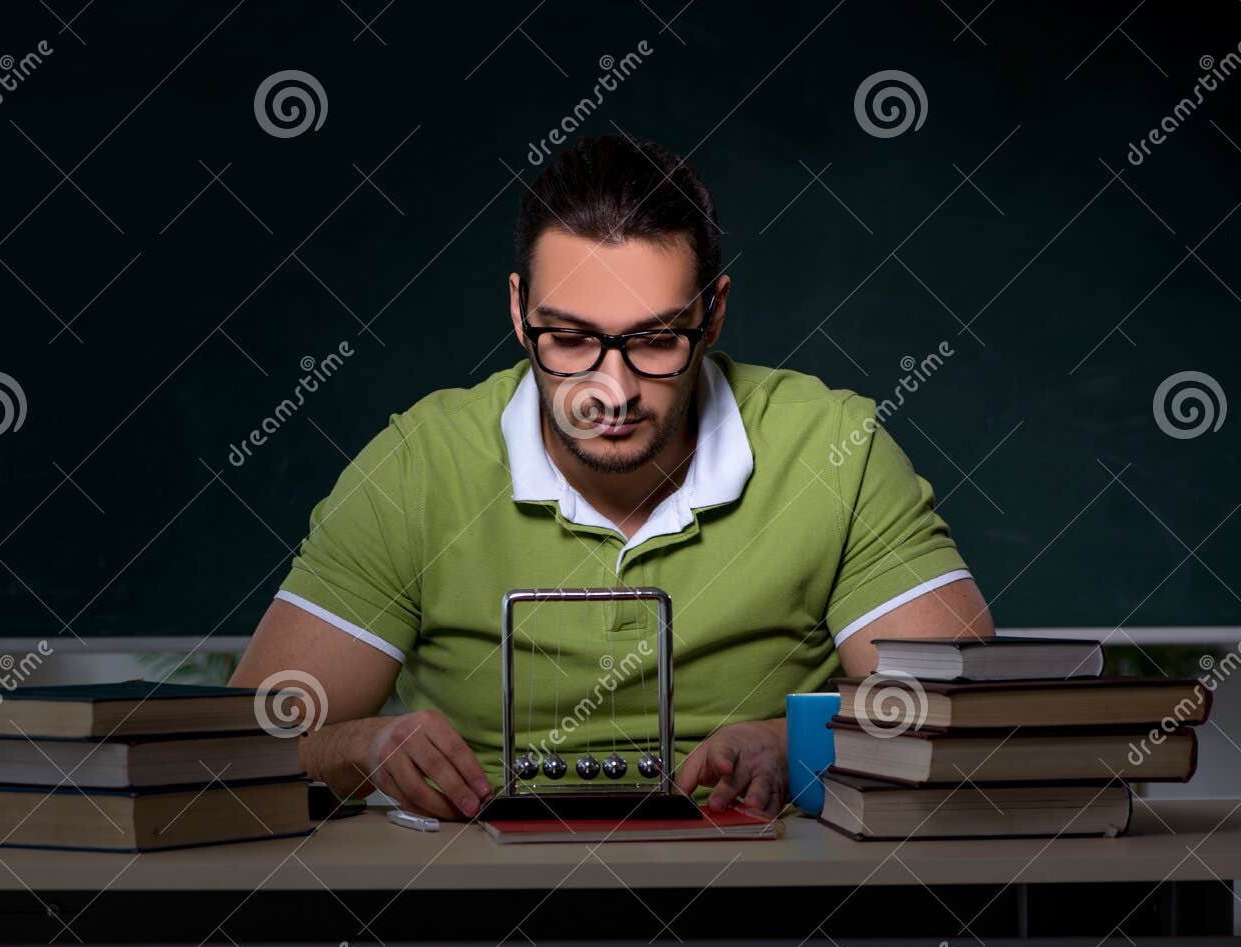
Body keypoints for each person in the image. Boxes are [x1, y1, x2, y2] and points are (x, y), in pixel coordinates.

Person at [232, 134, 992, 821]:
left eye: (657, 340)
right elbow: (242, 743)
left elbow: (970, 715)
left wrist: (790, 744)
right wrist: (362, 749)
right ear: (518, 311)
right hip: (468, 895)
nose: (612, 391)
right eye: (568, 339)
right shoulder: (419, 465)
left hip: (760, 892)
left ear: (714, 314)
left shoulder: (834, 450)